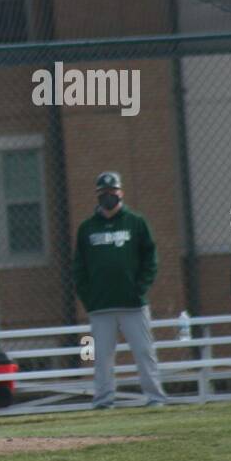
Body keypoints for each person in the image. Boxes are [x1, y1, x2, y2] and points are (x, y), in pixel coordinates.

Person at [73, 172, 166, 408]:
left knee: (144, 353)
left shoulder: (136, 222)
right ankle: (103, 400)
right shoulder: (86, 229)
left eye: (112, 192)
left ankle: (155, 398)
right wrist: (89, 298)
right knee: (101, 357)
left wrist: (140, 288)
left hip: (133, 304)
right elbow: (79, 268)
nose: (108, 197)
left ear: (121, 193)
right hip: (101, 306)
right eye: (103, 193)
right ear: (97, 196)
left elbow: (150, 259)